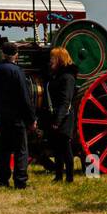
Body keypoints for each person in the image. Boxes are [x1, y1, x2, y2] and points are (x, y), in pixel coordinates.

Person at [0, 42, 35, 188]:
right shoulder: (17, 71)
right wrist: (31, 118)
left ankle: (2, 180)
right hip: (17, 117)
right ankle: (20, 180)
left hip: (2, 117)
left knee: (3, 150)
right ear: (16, 55)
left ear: (3, 54)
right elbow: (24, 97)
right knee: (21, 150)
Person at [44, 48, 78, 183]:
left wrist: (58, 120)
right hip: (57, 116)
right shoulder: (57, 76)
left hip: (64, 117)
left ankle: (69, 177)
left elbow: (66, 101)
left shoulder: (67, 77)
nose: (50, 60)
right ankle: (58, 176)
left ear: (59, 59)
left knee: (65, 148)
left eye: (53, 58)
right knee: (57, 148)